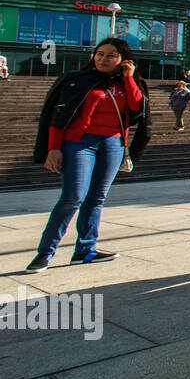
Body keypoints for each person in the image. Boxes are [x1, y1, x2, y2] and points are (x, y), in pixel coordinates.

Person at [26, 37, 152, 272]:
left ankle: (84, 250)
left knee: (97, 198)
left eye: (111, 55)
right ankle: (45, 252)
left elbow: (137, 108)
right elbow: (58, 116)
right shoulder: (77, 80)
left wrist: (128, 78)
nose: (103, 59)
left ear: (124, 60)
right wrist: (53, 149)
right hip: (78, 143)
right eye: (100, 54)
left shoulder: (129, 83)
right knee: (72, 197)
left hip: (113, 144)